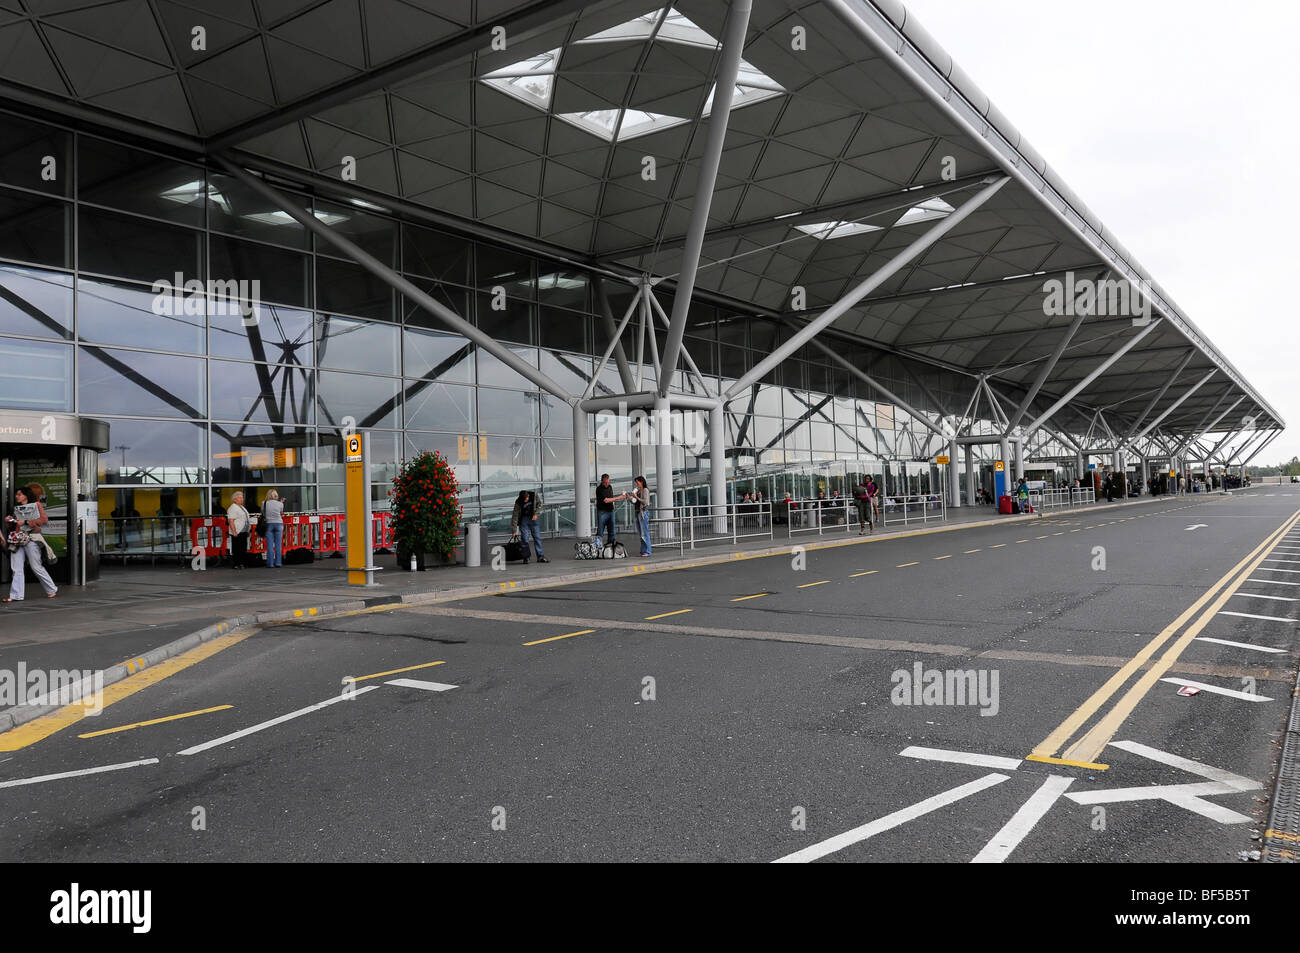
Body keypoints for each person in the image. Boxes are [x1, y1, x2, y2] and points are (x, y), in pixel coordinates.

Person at [4, 486, 57, 602]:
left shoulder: (36, 505)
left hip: (31, 537)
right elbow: (15, 525)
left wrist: (27, 521)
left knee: (36, 566)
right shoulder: (16, 508)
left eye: (19, 494)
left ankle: (51, 589)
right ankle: (16, 595)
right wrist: (9, 521)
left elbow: (44, 519)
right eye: (17, 494)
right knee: (16, 568)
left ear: (26, 495)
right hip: (17, 539)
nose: (17, 496)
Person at [511, 490, 548, 564]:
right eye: (525, 500)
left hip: (533, 519)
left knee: (537, 538)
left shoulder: (534, 495)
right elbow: (515, 516)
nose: (526, 500)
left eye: (527, 498)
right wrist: (514, 530)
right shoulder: (518, 502)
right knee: (525, 538)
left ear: (528, 495)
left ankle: (540, 556)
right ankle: (526, 557)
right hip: (523, 520)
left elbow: (540, 504)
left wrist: (536, 514)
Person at [594, 474, 624, 546]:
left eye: (608, 482)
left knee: (612, 530)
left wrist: (613, 505)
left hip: (610, 511)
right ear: (602, 481)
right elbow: (606, 500)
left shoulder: (610, 487)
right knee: (600, 530)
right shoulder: (599, 489)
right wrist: (619, 497)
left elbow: (611, 497)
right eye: (605, 483)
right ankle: (597, 546)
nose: (607, 484)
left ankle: (611, 544)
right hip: (602, 512)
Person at [227, 491, 251, 570]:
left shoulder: (242, 507)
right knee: (237, 548)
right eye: (240, 498)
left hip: (244, 531)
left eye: (242, 497)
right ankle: (236, 564)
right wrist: (234, 531)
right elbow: (231, 520)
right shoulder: (233, 508)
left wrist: (248, 530)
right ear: (235, 499)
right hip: (237, 531)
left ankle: (242, 563)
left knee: (243, 548)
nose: (242, 499)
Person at [262, 489, 285, 568]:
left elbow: (263, 512)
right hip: (279, 524)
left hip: (268, 524)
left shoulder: (264, 503)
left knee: (270, 545)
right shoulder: (280, 504)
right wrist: (281, 503)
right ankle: (278, 563)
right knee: (278, 545)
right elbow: (281, 513)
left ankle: (270, 563)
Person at [631, 476, 651, 557]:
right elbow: (635, 502)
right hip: (637, 513)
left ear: (641, 482)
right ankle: (643, 551)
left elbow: (646, 502)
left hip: (643, 513)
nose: (636, 484)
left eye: (637, 482)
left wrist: (636, 497)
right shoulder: (639, 491)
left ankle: (647, 551)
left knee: (645, 533)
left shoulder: (645, 490)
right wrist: (630, 498)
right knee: (641, 534)